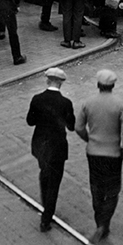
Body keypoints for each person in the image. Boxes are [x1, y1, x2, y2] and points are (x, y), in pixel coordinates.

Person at [75, 69, 123, 243]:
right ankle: (103, 224)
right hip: (113, 153)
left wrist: (89, 139)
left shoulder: (88, 103)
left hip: (93, 152)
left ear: (98, 85)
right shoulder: (121, 104)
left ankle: (100, 222)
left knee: (96, 188)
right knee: (113, 191)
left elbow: (78, 127)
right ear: (113, 85)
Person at [26, 67, 75, 231]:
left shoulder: (37, 99)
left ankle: (45, 206)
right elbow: (72, 126)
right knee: (55, 181)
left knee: (44, 174)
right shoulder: (66, 103)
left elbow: (30, 121)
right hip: (57, 146)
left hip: (40, 145)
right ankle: (46, 217)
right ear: (61, 83)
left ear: (48, 81)